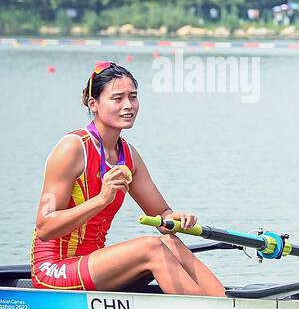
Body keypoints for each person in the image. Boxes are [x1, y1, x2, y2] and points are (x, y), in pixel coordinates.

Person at [31, 61, 224, 295]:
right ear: (94, 104)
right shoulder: (72, 148)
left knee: (169, 242)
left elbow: (162, 216)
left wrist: (177, 218)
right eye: (118, 98)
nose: (128, 105)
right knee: (150, 247)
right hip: (53, 269)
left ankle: (224, 302)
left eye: (133, 97)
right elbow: (45, 227)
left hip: (93, 262)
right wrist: (102, 199)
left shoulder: (129, 156)